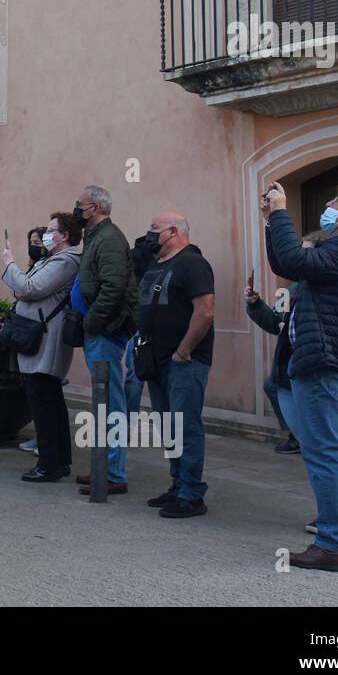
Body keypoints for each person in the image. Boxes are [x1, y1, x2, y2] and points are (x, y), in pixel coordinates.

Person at [265, 180, 338, 572]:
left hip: (324, 364)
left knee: (325, 456)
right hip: (329, 362)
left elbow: (292, 263)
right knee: (333, 453)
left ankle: (332, 544)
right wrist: (272, 222)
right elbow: (287, 262)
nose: (330, 203)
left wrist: (281, 211)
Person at [134, 212, 215, 518]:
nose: (148, 235)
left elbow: (205, 311)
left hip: (185, 361)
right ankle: (178, 483)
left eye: (154, 229)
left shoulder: (193, 263)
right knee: (169, 426)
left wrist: (183, 351)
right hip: (156, 359)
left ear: (173, 231)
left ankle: (192, 494)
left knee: (185, 426)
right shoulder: (158, 264)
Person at [1, 215, 82, 483]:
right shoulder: (50, 260)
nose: (46, 235)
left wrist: (9, 264)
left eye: (51, 231)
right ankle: (59, 459)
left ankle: (49, 464)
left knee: (44, 402)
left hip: (47, 339)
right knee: (50, 400)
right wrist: (22, 287)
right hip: (41, 337)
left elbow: (29, 286)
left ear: (65, 235)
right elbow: (23, 291)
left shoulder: (66, 261)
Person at [73, 186, 138, 496]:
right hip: (98, 329)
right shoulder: (96, 237)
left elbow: (112, 288)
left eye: (80, 204)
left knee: (111, 402)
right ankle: (104, 468)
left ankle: (113, 472)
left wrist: (92, 322)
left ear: (95, 207)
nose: (76, 209)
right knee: (103, 402)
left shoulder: (109, 239)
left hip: (106, 330)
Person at [245, 231, 326, 455]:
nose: (302, 257)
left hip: (317, 363)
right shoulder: (292, 288)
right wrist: (255, 304)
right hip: (290, 359)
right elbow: (274, 321)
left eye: (307, 251)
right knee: (272, 385)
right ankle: (296, 434)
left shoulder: (329, 288)